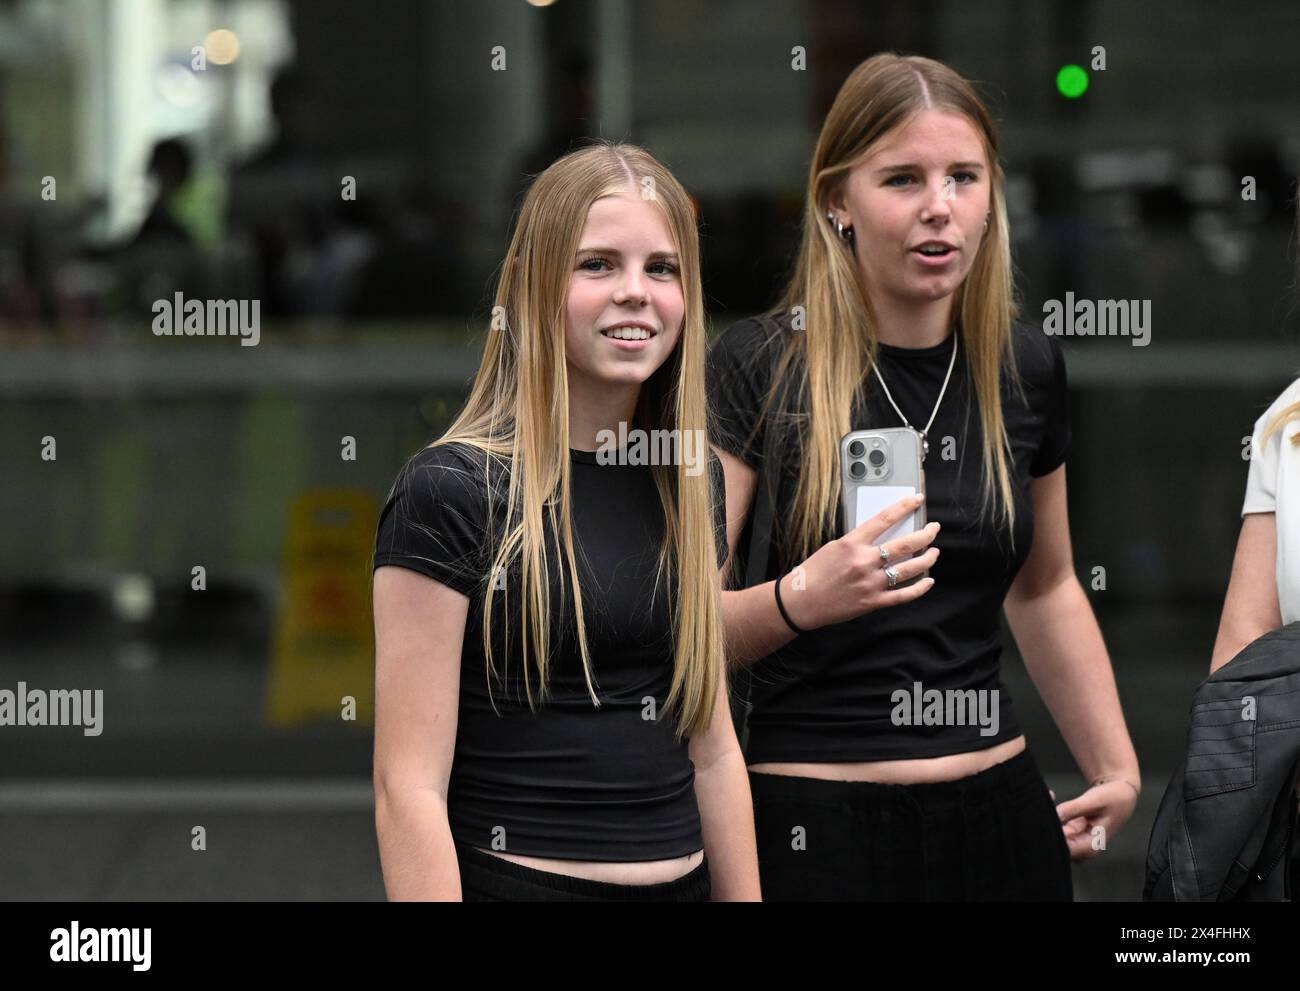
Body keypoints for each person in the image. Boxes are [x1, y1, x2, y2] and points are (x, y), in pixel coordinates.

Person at [707, 53, 1140, 901]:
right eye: (902, 179)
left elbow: (1046, 586)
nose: (938, 206)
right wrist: (802, 596)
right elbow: (684, 627)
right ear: (838, 201)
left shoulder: (1021, 369)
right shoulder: (760, 366)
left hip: (1000, 815)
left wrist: (1117, 764)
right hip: (815, 824)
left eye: (963, 177)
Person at [372, 142, 760, 901]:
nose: (636, 293)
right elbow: (406, 787)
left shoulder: (693, 479)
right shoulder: (451, 490)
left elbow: (712, 746)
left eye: (662, 268)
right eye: (597, 265)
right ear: (529, 286)